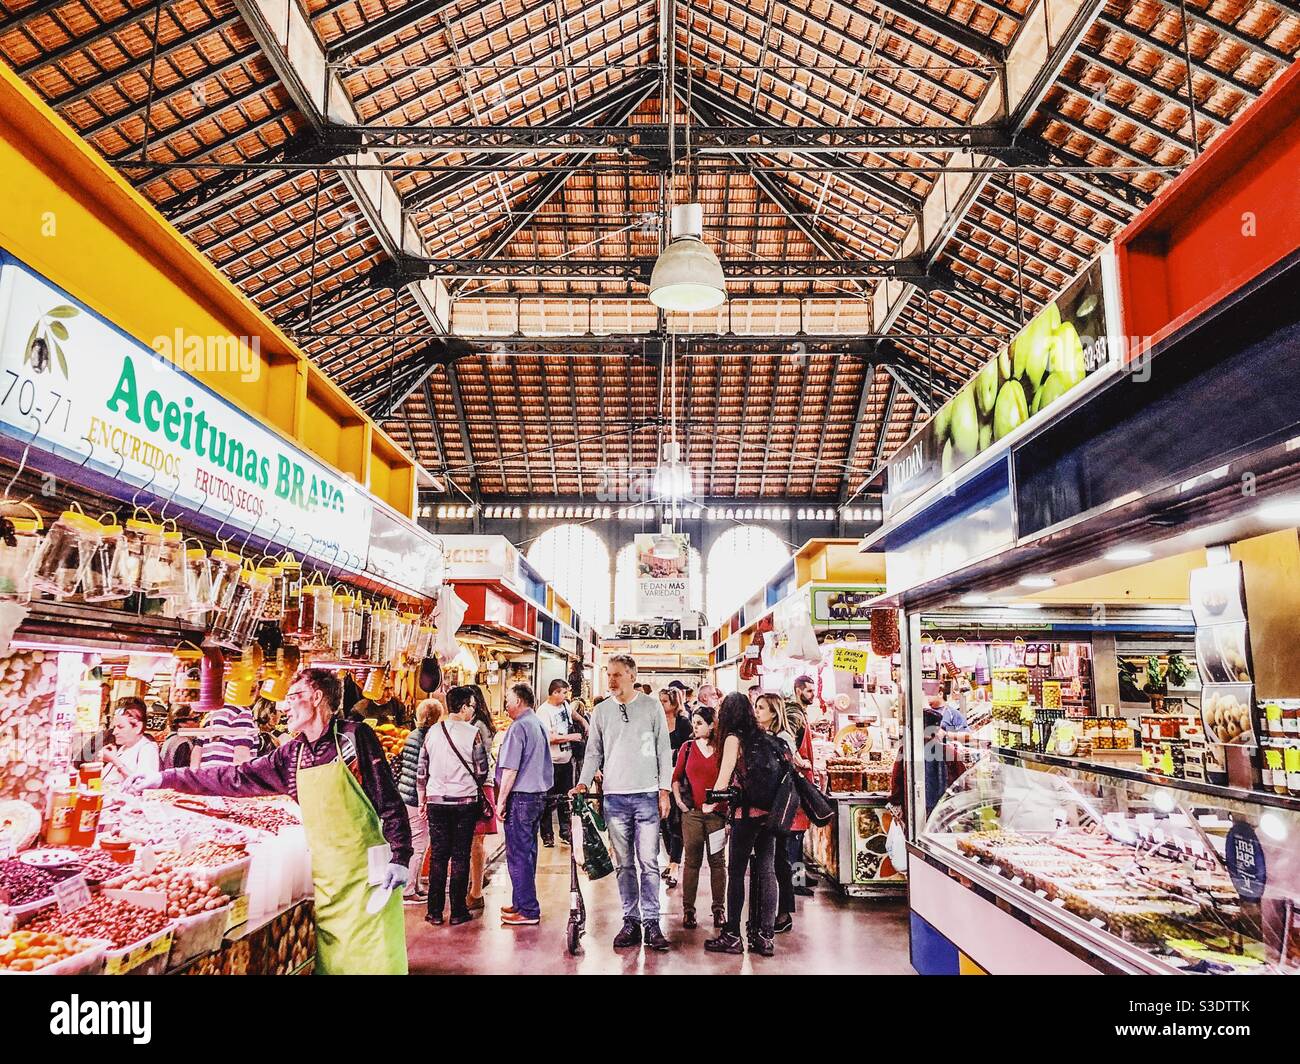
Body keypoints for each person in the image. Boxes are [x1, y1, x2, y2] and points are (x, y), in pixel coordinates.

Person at [125, 668, 412, 974]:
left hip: (369, 878)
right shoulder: (293, 753)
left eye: (292, 697)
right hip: (327, 882)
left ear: (315, 698)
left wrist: (400, 856)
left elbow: (388, 799)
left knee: (375, 963)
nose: (283, 706)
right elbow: (236, 777)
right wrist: (165, 777)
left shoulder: (354, 738)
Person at [570, 654, 673, 951]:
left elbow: (663, 751)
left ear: (632, 675)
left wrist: (663, 789)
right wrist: (583, 782)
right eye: (609, 674)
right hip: (614, 797)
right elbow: (593, 753)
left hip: (647, 796)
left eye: (617, 674)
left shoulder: (651, 707)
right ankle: (631, 919)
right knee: (624, 864)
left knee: (649, 863)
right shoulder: (601, 711)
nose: (612, 680)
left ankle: (652, 921)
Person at [705, 693, 781, 957]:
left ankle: (732, 935)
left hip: (746, 816)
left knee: (736, 873)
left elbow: (724, 779)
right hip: (769, 815)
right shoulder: (763, 736)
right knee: (767, 871)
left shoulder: (733, 739)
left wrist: (710, 804)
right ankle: (764, 936)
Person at [418, 687, 489, 926]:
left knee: (438, 856)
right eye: (471, 705)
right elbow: (482, 769)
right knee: (460, 855)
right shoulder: (473, 733)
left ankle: (435, 911)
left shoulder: (432, 732)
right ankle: (458, 911)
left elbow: (422, 768)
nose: (473, 709)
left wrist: (422, 797)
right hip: (464, 802)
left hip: (437, 801)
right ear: (464, 707)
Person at [495, 683, 553, 927]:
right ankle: (521, 901)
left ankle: (528, 909)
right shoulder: (537, 722)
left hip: (521, 797)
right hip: (538, 795)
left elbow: (510, 770)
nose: (506, 704)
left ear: (519, 701)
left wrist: (500, 801)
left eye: (508, 700)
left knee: (518, 853)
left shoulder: (519, 727)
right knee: (528, 852)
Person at [754, 693, 805, 934]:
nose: (757, 711)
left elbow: (785, 770)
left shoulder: (783, 738)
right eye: (756, 707)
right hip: (765, 805)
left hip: (781, 805)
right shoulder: (761, 736)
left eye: (761, 707)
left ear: (774, 712)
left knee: (780, 858)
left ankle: (784, 912)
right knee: (771, 859)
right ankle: (768, 910)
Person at [672, 705, 726, 930]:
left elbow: (730, 779)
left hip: (717, 815)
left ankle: (718, 909)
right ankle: (689, 911)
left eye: (700, 723)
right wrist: (680, 802)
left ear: (712, 724)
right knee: (691, 862)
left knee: (717, 863)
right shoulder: (686, 748)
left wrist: (719, 805)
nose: (695, 726)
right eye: (694, 723)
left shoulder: (723, 750)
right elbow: (675, 777)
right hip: (692, 814)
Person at [397, 698, 441, 901]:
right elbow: (420, 773)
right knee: (418, 843)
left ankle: (416, 884)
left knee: (420, 841)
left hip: (407, 795)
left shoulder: (413, 736)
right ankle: (408, 889)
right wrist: (424, 799)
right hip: (415, 797)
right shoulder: (427, 738)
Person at [536, 679, 582, 847]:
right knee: (548, 800)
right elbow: (549, 738)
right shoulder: (543, 711)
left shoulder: (565, 706)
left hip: (566, 761)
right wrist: (572, 737)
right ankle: (547, 834)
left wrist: (584, 722)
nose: (565, 696)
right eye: (563, 693)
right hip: (551, 763)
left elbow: (574, 715)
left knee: (565, 798)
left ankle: (565, 831)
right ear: (555, 692)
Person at [465, 685, 498, 911]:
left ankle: (476, 891)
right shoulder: (480, 724)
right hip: (480, 784)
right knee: (475, 840)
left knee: (476, 839)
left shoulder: (477, 727)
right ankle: (477, 878)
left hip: (478, 786)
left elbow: (479, 763)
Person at [785, 675, 818, 897]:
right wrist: (799, 761)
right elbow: (786, 739)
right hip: (796, 780)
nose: (812, 695)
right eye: (808, 691)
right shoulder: (795, 713)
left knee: (800, 834)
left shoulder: (800, 713)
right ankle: (794, 881)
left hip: (802, 779)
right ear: (798, 691)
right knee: (794, 835)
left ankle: (800, 873)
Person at [658, 686, 692, 889]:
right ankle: (672, 858)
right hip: (660, 776)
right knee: (664, 822)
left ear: (674, 703)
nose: (661, 704)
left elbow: (688, 749)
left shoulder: (684, 723)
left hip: (678, 779)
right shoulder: (658, 722)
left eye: (664, 701)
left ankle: (675, 864)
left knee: (675, 821)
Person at [101, 698, 160, 786]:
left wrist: (114, 760)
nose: (114, 732)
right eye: (115, 727)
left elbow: (142, 784)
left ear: (137, 727)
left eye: (120, 727)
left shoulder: (147, 749)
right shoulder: (124, 747)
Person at [196, 701, 258, 768]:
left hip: (206, 774)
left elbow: (197, 750)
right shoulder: (242, 713)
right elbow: (241, 755)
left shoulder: (211, 714)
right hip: (227, 775)